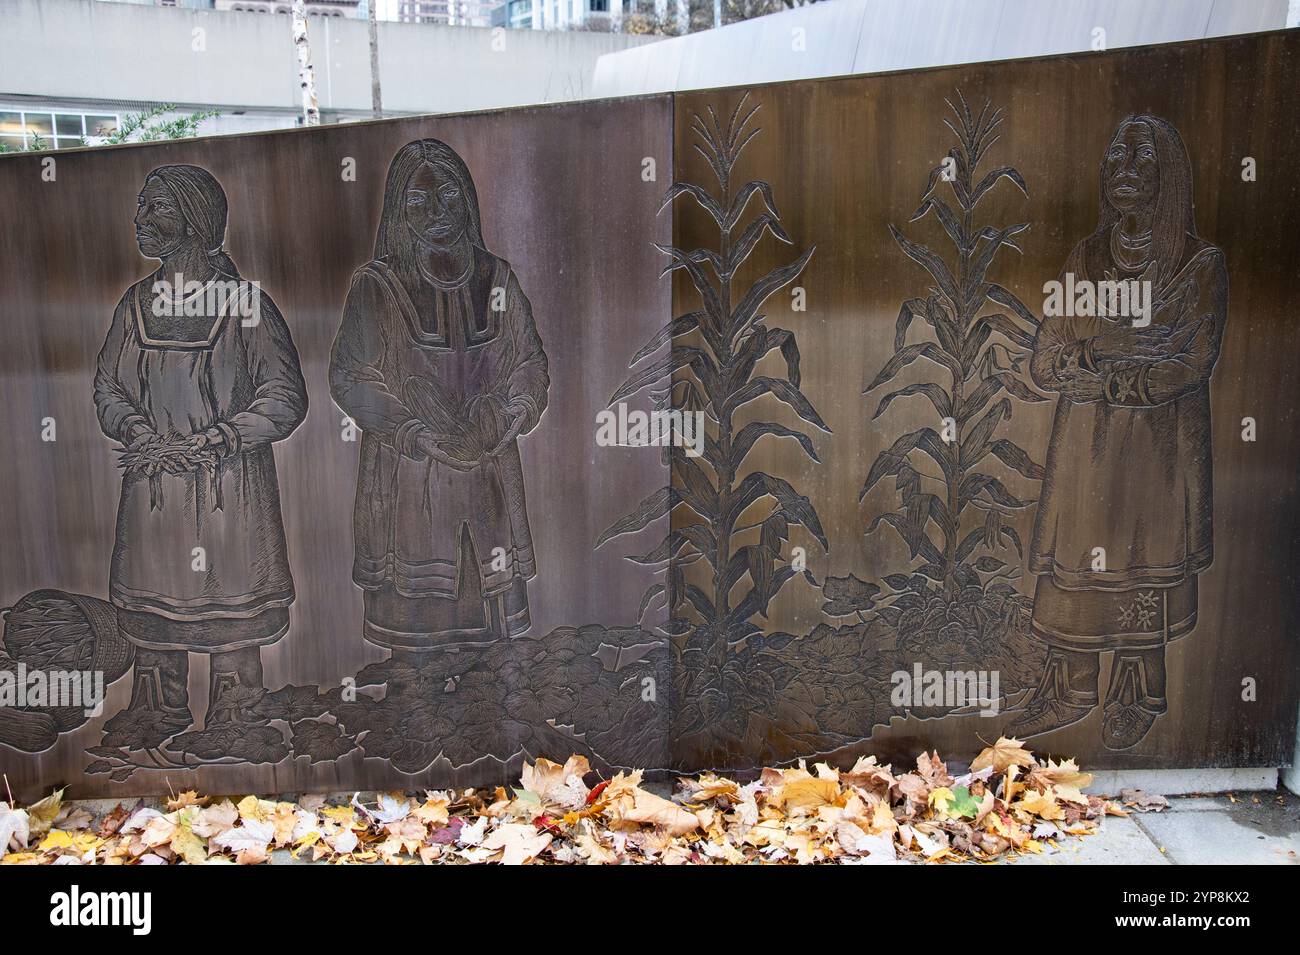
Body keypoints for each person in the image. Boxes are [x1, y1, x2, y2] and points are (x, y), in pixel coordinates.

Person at [1007, 116, 1227, 749]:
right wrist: (1118, 347)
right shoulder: (1085, 257)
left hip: (1155, 459)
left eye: (1141, 157)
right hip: (1085, 453)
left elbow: (1190, 362)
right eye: (1116, 156)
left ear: (1169, 176)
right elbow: (1046, 360)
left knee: (1139, 566)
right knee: (1076, 569)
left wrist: (1103, 366)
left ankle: (1135, 693)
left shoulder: (1198, 264)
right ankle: (1067, 690)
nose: (1124, 169)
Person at [94, 164, 307, 738]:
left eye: (156, 206)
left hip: (227, 487)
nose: (140, 218)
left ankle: (237, 710)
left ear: (193, 220)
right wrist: (138, 432)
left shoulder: (244, 305)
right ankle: (156, 705)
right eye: (141, 206)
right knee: (157, 589)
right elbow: (108, 386)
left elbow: (285, 396)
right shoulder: (137, 304)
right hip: (155, 485)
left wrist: (221, 438)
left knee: (227, 592)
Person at [330, 139, 549, 653]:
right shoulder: (377, 287)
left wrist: (507, 416)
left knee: (491, 656)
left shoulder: (497, 278)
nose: (437, 214)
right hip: (409, 479)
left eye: (449, 196)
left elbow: (530, 363)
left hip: (487, 474)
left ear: (467, 200)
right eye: (418, 202)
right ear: (399, 211)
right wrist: (415, 431)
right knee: (416, 650)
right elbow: (350, 376)